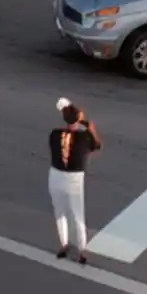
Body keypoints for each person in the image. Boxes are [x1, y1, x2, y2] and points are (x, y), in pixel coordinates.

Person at [48, 97, 102, 264]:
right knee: (78, 214)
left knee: (60, 212)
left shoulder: (55, 134)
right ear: (78, 119)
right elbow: (97, 145)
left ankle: (64, 245)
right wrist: (90, 127)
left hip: (56, 175)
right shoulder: (85, 137)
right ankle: (81, 250)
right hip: (74, 178)